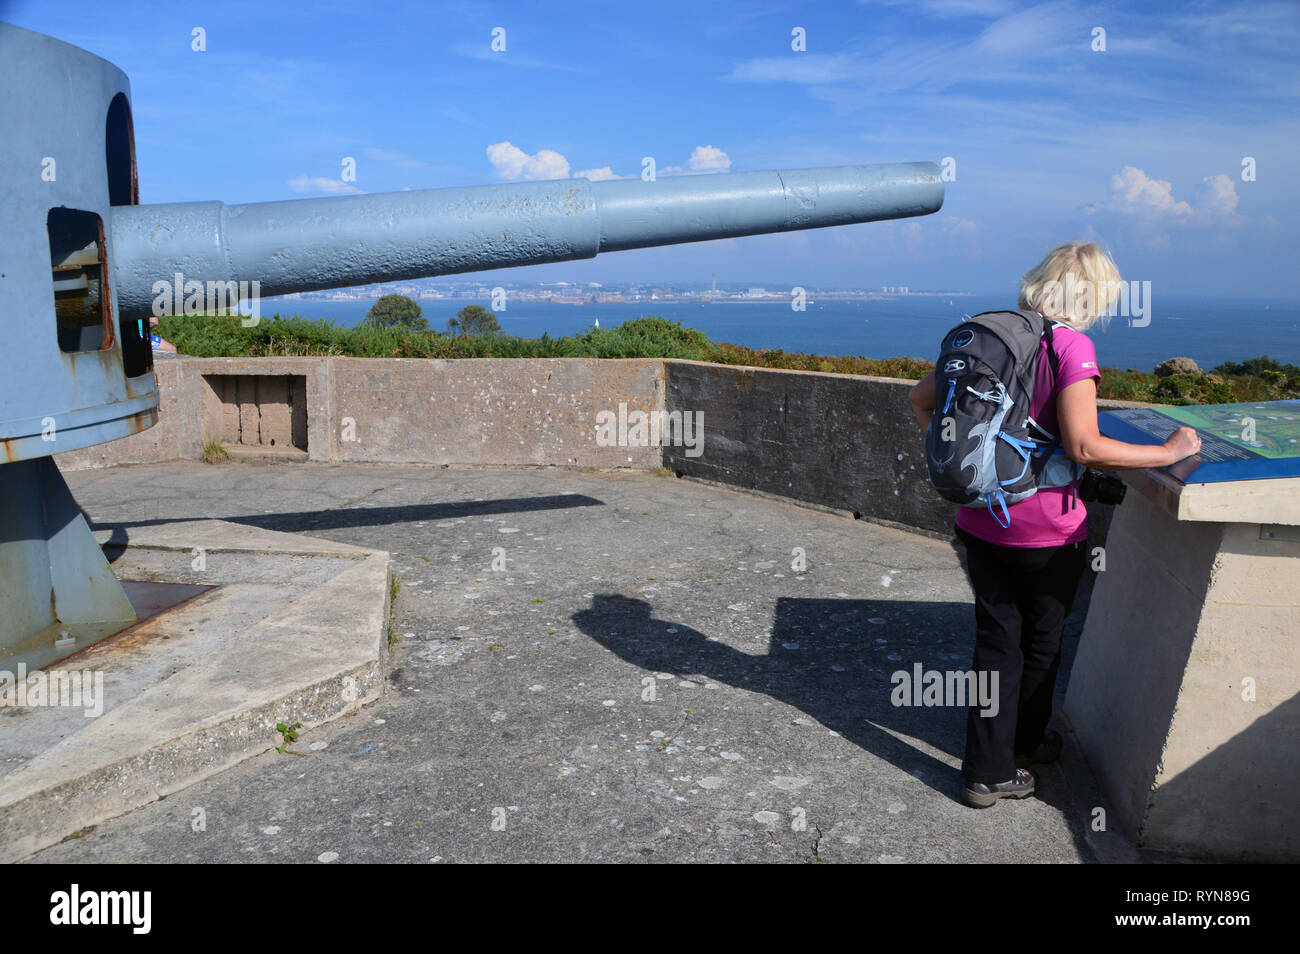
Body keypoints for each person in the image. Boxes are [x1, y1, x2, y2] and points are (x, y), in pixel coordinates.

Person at [907, 242, 1201, 808]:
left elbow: (922, 402)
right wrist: (1169, 451)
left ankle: (988, 766)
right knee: (1042, 639)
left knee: (998, 641)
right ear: (1094, 295)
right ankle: (1017, 749)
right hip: (1047, 529)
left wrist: (973, 468)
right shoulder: (1070, 344)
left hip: (979, 520)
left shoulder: (994, 337)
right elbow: (1085, 445)